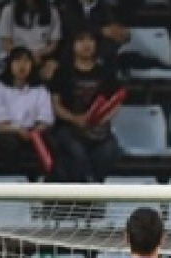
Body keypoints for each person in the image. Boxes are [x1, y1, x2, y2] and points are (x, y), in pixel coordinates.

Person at [49, 30, 121, 183]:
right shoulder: (62, 72)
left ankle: (94, 186)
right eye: (81, 40)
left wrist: (102, 119)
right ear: (73, 45)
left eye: (90, 40)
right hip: (68, 128)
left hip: (98, 128)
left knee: (110, 150)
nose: (86, 45)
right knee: (76, 151)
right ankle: (86, 187)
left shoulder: (105, 72)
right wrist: (75, 119)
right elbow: (55, 103)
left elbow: (115, 102)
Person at [0, 46, 54, 177]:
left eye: (26, 61)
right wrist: (18, 130)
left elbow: (46, 118)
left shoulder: (39, 89)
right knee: (10, 144)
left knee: (52, 141)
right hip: (8, 131)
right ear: (10, 64)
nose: (22, 65)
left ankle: (47, 184)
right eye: (17, 61)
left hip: (34, 131)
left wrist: (34, 132)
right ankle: (15, 184)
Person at [0, 0, 60, 79]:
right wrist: (26, 58)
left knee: (53, 68)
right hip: (17, 57)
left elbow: (54, 44)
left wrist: (40, 53)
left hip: (41, 57)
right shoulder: (8, 10)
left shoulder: (52, 11)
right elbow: (6, 44)